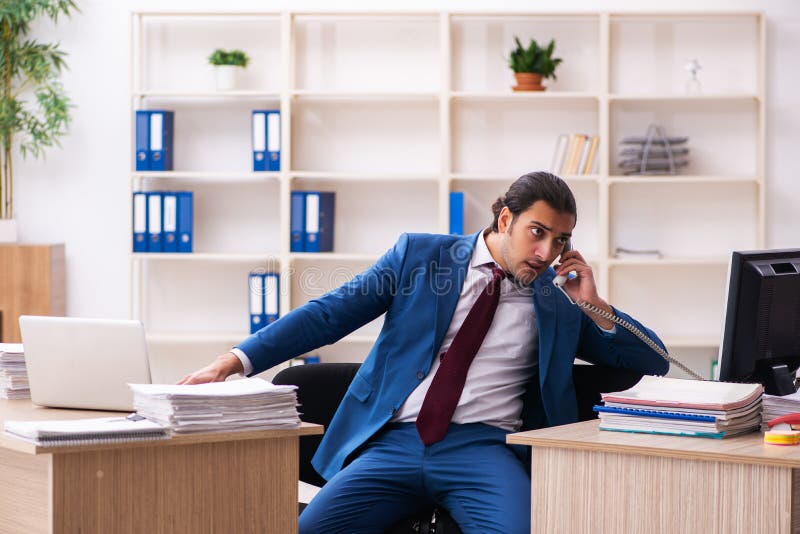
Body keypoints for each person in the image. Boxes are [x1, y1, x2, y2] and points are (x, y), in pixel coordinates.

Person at [179, 171, 669, 533]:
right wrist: (234, 361)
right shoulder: (420, 257)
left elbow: (652, 362)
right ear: (505, 219)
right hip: (393, 442)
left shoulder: (557, 305)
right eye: (536, 233)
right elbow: (330, 314)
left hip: (485, 450)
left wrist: (596, 307)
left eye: (560, 240)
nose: (545, 253)